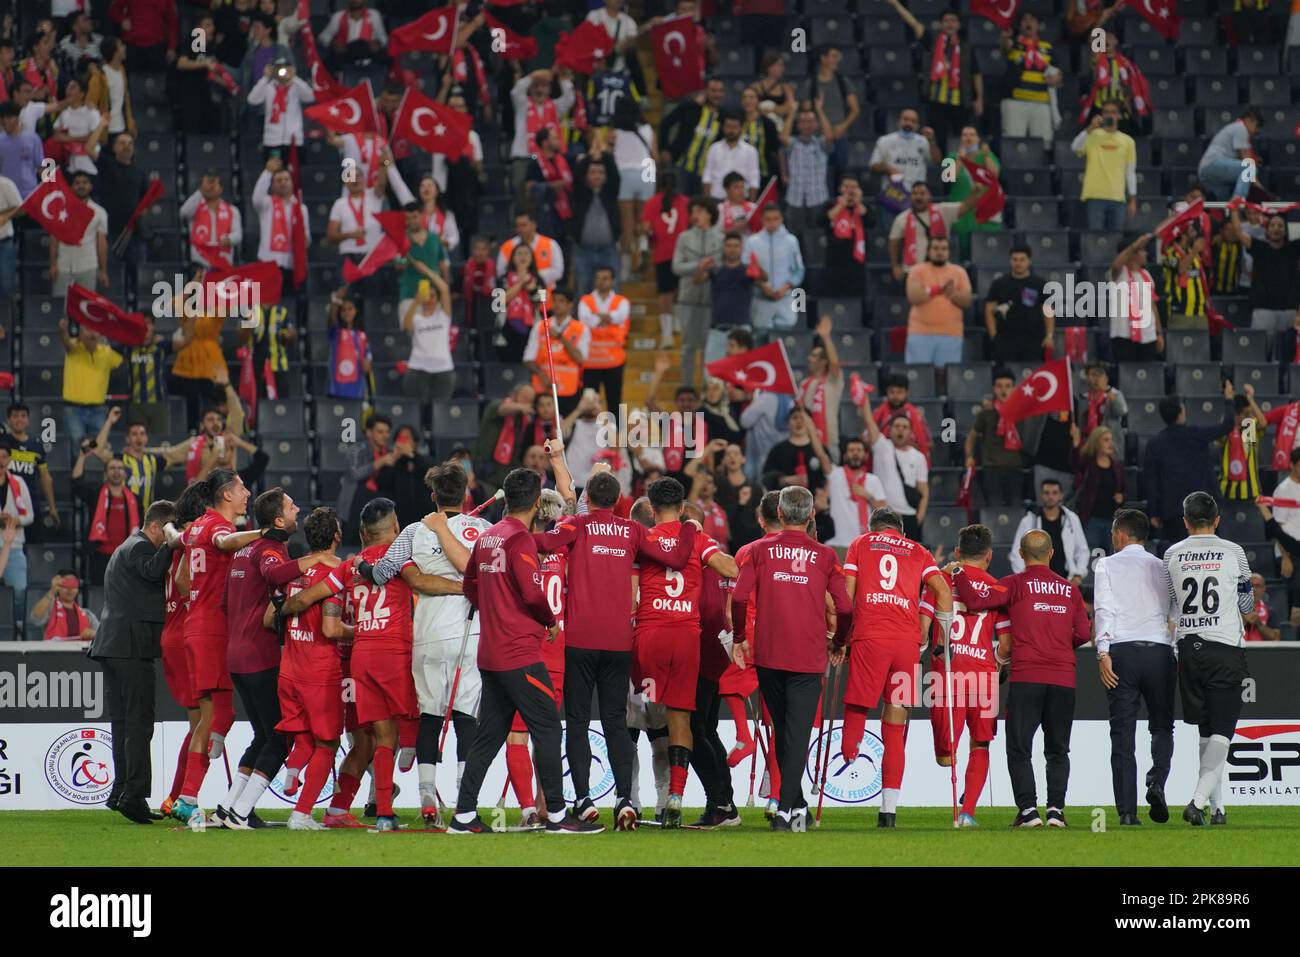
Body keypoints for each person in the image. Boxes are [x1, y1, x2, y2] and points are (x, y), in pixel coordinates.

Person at [532, 467, 699, 826]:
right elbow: (675, 559)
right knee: (614, 721)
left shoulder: (576, 526)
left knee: (576, 721)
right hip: (619, 643)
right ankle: (625, 799)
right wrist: (687, 527)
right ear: (620, 501)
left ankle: (584, 800)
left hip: (579, 640)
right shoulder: (632, 529)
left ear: (588, 499)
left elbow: (542, 543)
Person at [450, 468, 602, 834]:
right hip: (519, 653)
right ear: (537, 502)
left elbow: (470, 584)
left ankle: (464, 815)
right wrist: (549, 621)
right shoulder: (519, 539)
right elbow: (533, 594)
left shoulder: (488, 537)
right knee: (549, 729)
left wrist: (495, 607)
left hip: (491, 653)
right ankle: (556, 815)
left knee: (489, 737)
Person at [729, 486, 852, 830]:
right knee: (794, 733)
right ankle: (786, 809)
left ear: (779, 514)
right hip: (808, 654)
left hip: (768, 654)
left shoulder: (758, 550)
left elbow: (739, 598)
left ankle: (794, 803)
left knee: (783, 729)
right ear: (812, 516)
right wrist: (840, 641)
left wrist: (740, 637)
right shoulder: (826, 556)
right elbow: (844, 606)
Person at [953, 528, 1091, 827]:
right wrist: (1055, 644)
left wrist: (959, 573)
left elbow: (975, 601)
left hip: (1027, 675)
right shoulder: (1071, 590)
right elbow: (1082, 633)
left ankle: (1028, 811)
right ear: (1052, 554)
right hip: (1063, 678)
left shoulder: (1013, 584)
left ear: (1021, 555)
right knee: (1057, 749)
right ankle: (1056, 811)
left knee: (1019, 747)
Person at [631, 476, 737, 826]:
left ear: (650, 507)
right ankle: (675, 794)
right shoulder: (699, 540)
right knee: (680, 717)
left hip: (648, 635)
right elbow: (731, 570)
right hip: (685, 636)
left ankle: (626, 798)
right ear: (681, 506)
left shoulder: (643, 538)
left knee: (633, 716)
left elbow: (631, 590)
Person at [840, 507, 952, 827]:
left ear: (873, 527)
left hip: (870, 637)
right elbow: (942, 592)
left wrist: (842, 639)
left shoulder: (861, 543)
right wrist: (940, 639)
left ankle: (849, 752)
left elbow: (847, 597)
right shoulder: (918, 550)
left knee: (859, 706)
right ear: (901, 531)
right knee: (894, 727)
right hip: (906, 645)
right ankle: (888, 812)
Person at [169, 470, 266, 826]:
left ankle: (188, 795)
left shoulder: (195, 527)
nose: (247, 493)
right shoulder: (216, 528)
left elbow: (181, 582)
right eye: (242, 488)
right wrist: (265, 533)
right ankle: (188, 797)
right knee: (215, 718)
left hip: (195, 627)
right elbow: (225, 544)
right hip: (213, 631)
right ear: (226, 495)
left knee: (213, 717)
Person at [213, 488, 312, 829]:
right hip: (259, 657)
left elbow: (226, 603)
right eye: (291, 505)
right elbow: (274, 575)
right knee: (281, 737)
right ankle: (242, 812)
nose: (297, 508)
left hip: (237, 656)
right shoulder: (270, 549)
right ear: (279, 520)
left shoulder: (244, 551)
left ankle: (229, 807)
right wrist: (315, 560)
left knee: (262, 735)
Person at [1163, 492, 1255, 826]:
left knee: (1206, 732)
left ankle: (1218, 809)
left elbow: (1173, 603)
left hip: (1188, 649)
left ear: (1185, 521)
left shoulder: (1172, 554)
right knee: (1223, 731)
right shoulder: (1234, 551)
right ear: (1217, 520)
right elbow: (1247, 607)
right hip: (1224, 649)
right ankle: (1198, 801)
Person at [88, 500, 178, 823]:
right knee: (139, 722)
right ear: (157, 527)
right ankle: (134, 796)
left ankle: (121, 790)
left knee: (124, 723)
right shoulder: (140, 547)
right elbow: (154, 571)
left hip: (113, 644)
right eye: (169, 530)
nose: (172, 537)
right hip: (130, 646)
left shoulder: (127, 546)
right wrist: (171, 545)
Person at [1093, 508, 1177, 826]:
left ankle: (1127, 813)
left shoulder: (1107, 564)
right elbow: (1174, 613)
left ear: (1120, 534)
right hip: (1159, 651)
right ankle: (1157, 781)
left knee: (1122, 733)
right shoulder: (1162, 567)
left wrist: (1103, 652)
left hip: (1123, 652)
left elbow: (1104, 608)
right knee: (1162, 726)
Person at [265, 507, 347, 829]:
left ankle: (293, 773)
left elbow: (269, 619)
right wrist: (361, 630)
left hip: (289, 669)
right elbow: (330, 628)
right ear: (337, 537)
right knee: (327, 744)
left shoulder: (293, 573)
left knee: (304, 739)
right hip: (319, 672)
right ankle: (301, 813)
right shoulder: (335, 575)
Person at [928, 524, 1007, 827]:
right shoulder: (998, 589)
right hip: (983, 676)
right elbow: (1007, 644)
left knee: (946, 755)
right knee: (981, 744)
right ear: (989, 556)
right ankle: (968, 813)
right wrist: (996, 661)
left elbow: (923, 626)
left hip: (947, 674)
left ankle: (965, 804)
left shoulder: (938, 581)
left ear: (957, 552)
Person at [884, 2, 983, 151]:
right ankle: (943, 173)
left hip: (961, 102)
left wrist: (979, 99)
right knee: (938, 141)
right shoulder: (933, 42)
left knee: (960, 141)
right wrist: (896, 4)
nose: (949, 24)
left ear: (959, 25)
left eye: (953, 21)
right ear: (941, 24)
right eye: (946, 21)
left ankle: (957, 172)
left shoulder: (967, 48)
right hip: (937, 102)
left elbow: (976, 74)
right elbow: (914, 24)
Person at [1142, 391, 1236, 544]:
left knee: (1180, 559)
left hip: (1173, 512)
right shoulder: (1195, 434)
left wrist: (1154, 513)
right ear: (1181, 413)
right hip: (1204, 509)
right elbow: (1228, 425)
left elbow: (1151, 482)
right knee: (1208, 556)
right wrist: (1229, 399)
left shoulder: (1154, 444)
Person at [862, 390, 929, 542]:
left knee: (910, 562)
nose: (900, 429)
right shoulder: (882, 447)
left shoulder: (919, 457)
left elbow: (923, 490)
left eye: (904, 427)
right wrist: (864, 401)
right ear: (890, 430)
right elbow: (870, 422)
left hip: (909, 515)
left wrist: (920, 515)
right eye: (897, 426)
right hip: (884, 515)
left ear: (910, 432)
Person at [903, 235, 972, 383]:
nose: (939, 252)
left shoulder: (959, 272)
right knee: (918, 376)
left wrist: (952, 294)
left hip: (951, 334)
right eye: (935, 248)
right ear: (928, 251)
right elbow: (914, 297)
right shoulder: (917, 270)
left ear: (949, 252)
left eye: (944, 249)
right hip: (920, 332)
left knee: (946, 378)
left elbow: (967, 301)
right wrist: (938, 290)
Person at [672, 197, 722, 389]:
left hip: (712, 301)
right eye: (693, 212)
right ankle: (687, 389)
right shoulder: (684, 237)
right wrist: (698, 265)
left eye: (699, 211)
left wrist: (710, 268)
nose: (695, 216)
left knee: (709, 350)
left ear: (709, 214)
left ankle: (706, 392)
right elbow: (676, 267)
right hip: (688, 300)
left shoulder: (721, 238)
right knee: (687, 348)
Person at [1227, 205, 1300, 334]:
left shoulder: (1293, 249)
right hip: (1263, 311)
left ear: (1285, 231)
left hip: (1289, 311)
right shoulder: (1259, 247)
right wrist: (1233, 209)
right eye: (1272, 225)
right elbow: (1238, 232)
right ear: (1267, 230)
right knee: (1260, 351)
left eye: (1280, 226)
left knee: (1288, 352)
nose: (1276, 229)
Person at [72, 448, 140, 586]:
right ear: (105, 473)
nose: (116, 471)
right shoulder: (96, 494)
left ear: (125, 474)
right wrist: (82, 456)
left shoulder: (135, 499)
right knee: (99, 598)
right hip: (100, 556)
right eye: (112, 468)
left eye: (120, 468)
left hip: (126, 557)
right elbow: (76, 484)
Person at [59, 316, 121, 457]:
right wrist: (63, 331)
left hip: (98, 410)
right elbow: (66, 342)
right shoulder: (74, 347)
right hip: (74, 410)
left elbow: (125, 355)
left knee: (99, 449)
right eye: (87, 329)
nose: (91, 334)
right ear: (80, 333)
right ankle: (78, 478)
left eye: (95, 330)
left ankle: (100, 479)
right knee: (78, 450)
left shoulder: (108, 352)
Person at [964, 368, 1027, 508]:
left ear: (1014, 388)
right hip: (992, 469)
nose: (1003, 391)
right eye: (999, 386)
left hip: (1015, 467)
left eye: (1008, 386)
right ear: (994, 388)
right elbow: (971, 437)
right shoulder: (987, 412)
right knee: (994, 508)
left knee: (1016, 508)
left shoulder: (1022, 411)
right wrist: (969, 456)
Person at [641, 171, 689, 350]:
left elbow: (646, 228)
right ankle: (677, 324)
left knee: (665, 294)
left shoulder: (652, 203)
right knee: (679, 291)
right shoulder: (684, 202)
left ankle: (667, 335)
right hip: (682, 253)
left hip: (662, 253)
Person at [1072, 101, 1137, 232]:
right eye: (1106, 112)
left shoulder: (1128, 141)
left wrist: (1132, 199)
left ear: (1119, 115)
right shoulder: (1092, 135)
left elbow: (1130, 171)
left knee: (1116, 238)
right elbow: (1075, 147)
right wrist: (1090, 128)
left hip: (1118, 197)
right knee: (1096, 239)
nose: (1110, 115)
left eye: (1113, 112)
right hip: (1095, 195)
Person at [1008, 479, 1090, 584]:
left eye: (1054, 493)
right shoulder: (1029, 521)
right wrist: (1024, 577)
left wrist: (1078, 574)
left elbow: (1082, 550)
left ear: (1061, 495)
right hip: (1037, 582)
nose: (1050, 497)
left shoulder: (1071, 519)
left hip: (1065, 579)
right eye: (1047, 493)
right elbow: (1016, 552)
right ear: (1041, 495)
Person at [999, 12, 1061, 148]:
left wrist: (1056, 78)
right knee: (1013, 145)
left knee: (1044, 144)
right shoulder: (1014, 44)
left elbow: (1058, 73)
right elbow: (1004, 47)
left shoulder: (1048, 47)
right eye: (1024, 20)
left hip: (1041, 103)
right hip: (1015, 102)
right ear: (1020, 26)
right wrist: (1004, 38)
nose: (1028, 23)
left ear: (1038, 26)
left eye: (1032, 20)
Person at [802, 46, 860, 182]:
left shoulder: (842, 82)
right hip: (818, 138)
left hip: (840, 135)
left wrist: (843, 126)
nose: (836, 60)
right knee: (818, 176)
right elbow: (806, 109)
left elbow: (855, 109)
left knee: (841, 174)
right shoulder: (811, 84)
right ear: (823, 58)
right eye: (833, 56)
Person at [569, 140, 621, 293]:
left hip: (608, 250)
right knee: (583, 290)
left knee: (613, 291)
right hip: (583, 251)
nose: (597, 175)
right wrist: (589, 157)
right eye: (593, 172)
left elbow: (615, 175)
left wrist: (604, 155)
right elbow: (577, 177)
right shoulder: (581, 195)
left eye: (600, 172)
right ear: (587, 176)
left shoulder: (610, 193)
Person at [984, 246, 1051, 363]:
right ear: (1010, 261)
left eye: (1022, 259)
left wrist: (1049, 335)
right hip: (1006, 339)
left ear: (1029, 261)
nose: (1018, 263)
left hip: (1033, 339)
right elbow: (989, 310)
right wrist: (994, 336)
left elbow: (1048, 310)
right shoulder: (999, 284)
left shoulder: (1039, 283)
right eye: (1015, 259)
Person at [659, 76, 725, 194]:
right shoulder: (690, 107)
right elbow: (665, 124)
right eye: (713, 91)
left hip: (707, 173)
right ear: (705, 91)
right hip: (681, 166)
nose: (717, 95)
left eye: (720, 91)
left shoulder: (724, 116)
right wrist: (664, 149)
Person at [0, 402, 59, 534]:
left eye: (23, 416)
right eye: (15, 416)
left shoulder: (36, 445)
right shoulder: (2, 442)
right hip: (6, 502)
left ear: (28, 420)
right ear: (8, 420)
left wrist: (52, 507)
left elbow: (45, 477)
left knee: (31, 548)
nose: (19, 419)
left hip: (30, 504)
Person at [744, 204, 804, 334]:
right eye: (768, 219)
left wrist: (786, 287)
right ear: (762, 220)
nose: (772, 223)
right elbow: (747, 269)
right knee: (761, 340)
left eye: (775, 219)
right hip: (761, 299)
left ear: (781, 219)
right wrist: (762, 286)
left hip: (785, 298)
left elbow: (799, 270)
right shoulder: (752, 242)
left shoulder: (791, 241)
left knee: (785, 341)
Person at [50, 170, 109, 297]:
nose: (81, 186)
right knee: (61, 309)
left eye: (85, 183)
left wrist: (103, 270)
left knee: (85, 308)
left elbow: (102, 243)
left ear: (90, 186)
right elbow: (54, 237)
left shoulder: (99, 212)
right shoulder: (60, 209)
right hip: (63, 266)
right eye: (77, 183)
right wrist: (53, 264)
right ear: (71, 187)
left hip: (88, 266)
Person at [578, 268, 630, 413]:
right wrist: (610, 318)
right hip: (591, 360)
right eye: (598, 278)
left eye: (605, 278)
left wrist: (597, 316)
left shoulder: (622, 301)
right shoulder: (585, 300)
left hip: (614, 360)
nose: (601, 281)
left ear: (612, 281)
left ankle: (617, 432)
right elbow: (586, 320)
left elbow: (620, 317)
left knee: (615, 400)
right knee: (589, 401)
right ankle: (590, 433)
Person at [337, 412, 393, 542]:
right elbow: (354, 474)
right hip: (355, 505)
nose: (385, 436)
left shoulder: (390, 452)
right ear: (369, 432)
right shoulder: (357, 449)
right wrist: (379, 463)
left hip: (380, 507)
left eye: (387, 432)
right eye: (380, 431)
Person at [1108, 232, 1162, 361]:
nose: (1146, 254)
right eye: (1142, 251)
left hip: (1147, 335)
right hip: (1123, 334)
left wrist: (1158, 333)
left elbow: (1152, 305)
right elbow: (1116, 265)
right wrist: (1135, 245)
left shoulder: (1146, 275)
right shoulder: (1119, 274)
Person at [825, 437, 887, 549]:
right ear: (845, 456)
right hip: (839, 544)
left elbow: (883, 509)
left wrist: (867, 496)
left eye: (859, 450)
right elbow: (821, 456)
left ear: (865, 455)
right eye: (851, 450)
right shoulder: (835, 475)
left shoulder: (873, 479)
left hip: (865, 545)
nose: (855, 453)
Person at [1071, 425, 1126, 551]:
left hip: (1112, 521)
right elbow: (1074, 462)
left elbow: (1124, 491)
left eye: (1111, 439)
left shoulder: (1117, 466)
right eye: (1105, 440)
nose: (1110, 443)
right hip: (1091, 519)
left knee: (1111, 560)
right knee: (1091, 559)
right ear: (1096, 442)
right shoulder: (1088, 464)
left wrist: (1121, 497)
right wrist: (1076, 441)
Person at [247, 57, 314, 157]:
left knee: (294, 172)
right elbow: (252, 100)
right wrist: (265, 78)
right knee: (273, 171)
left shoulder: (296, 86)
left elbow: (311, 97)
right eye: (279, 68)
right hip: (272, 140)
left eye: (285, 68)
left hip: (294, 140)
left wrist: (294, 77)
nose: (282, 72)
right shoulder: (268, 86)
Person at [796, 315, 844, 452]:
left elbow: (834, 363)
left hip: (828, 442)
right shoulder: (804, 383)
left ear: (823, 362)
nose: (808, 359)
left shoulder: (832, 382)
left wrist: (826, 338)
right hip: (806, 442)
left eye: (813, 356)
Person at [868, 108, 942, 193]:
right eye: (905, 119)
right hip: (893, 193)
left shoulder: (923, 141)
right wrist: (888, 169)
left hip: (916, 193)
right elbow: (873, 165)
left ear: (917, 125)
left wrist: (931, 141)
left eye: (913, 121)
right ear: (899, 121)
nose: (909, 123)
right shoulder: (885, 141)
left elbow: (937, 161)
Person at [1198, 107, 1262, 202]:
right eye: (1256, 126)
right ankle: (1238, 199)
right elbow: (1246, 157)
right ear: (1249, 120)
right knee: (1249, 168)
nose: (1255, 132)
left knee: (1225, 201)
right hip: (1214, 164)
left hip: (1205, 173)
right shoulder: (1241, 128)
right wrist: (1256, 182)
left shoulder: (1233, 128)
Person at [30, 571, 100, 640]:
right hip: (54, 650)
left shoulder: (87, 615)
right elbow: (35, 618)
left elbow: (104, 635)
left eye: (73, 585)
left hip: (80, 651)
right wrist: (52, 590)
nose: (69, 589)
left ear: (78, 589)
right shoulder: (50, 609)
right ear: (58, 587)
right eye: (65, 585)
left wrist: (94, 634)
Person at [0, 100, 43, 199]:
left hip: (30, 193)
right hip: (6, 195)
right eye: (2, 119)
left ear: (18, 117)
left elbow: (42, 164)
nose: (6, 122)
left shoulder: (33, 138)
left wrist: (50, 187)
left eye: (9, 118)